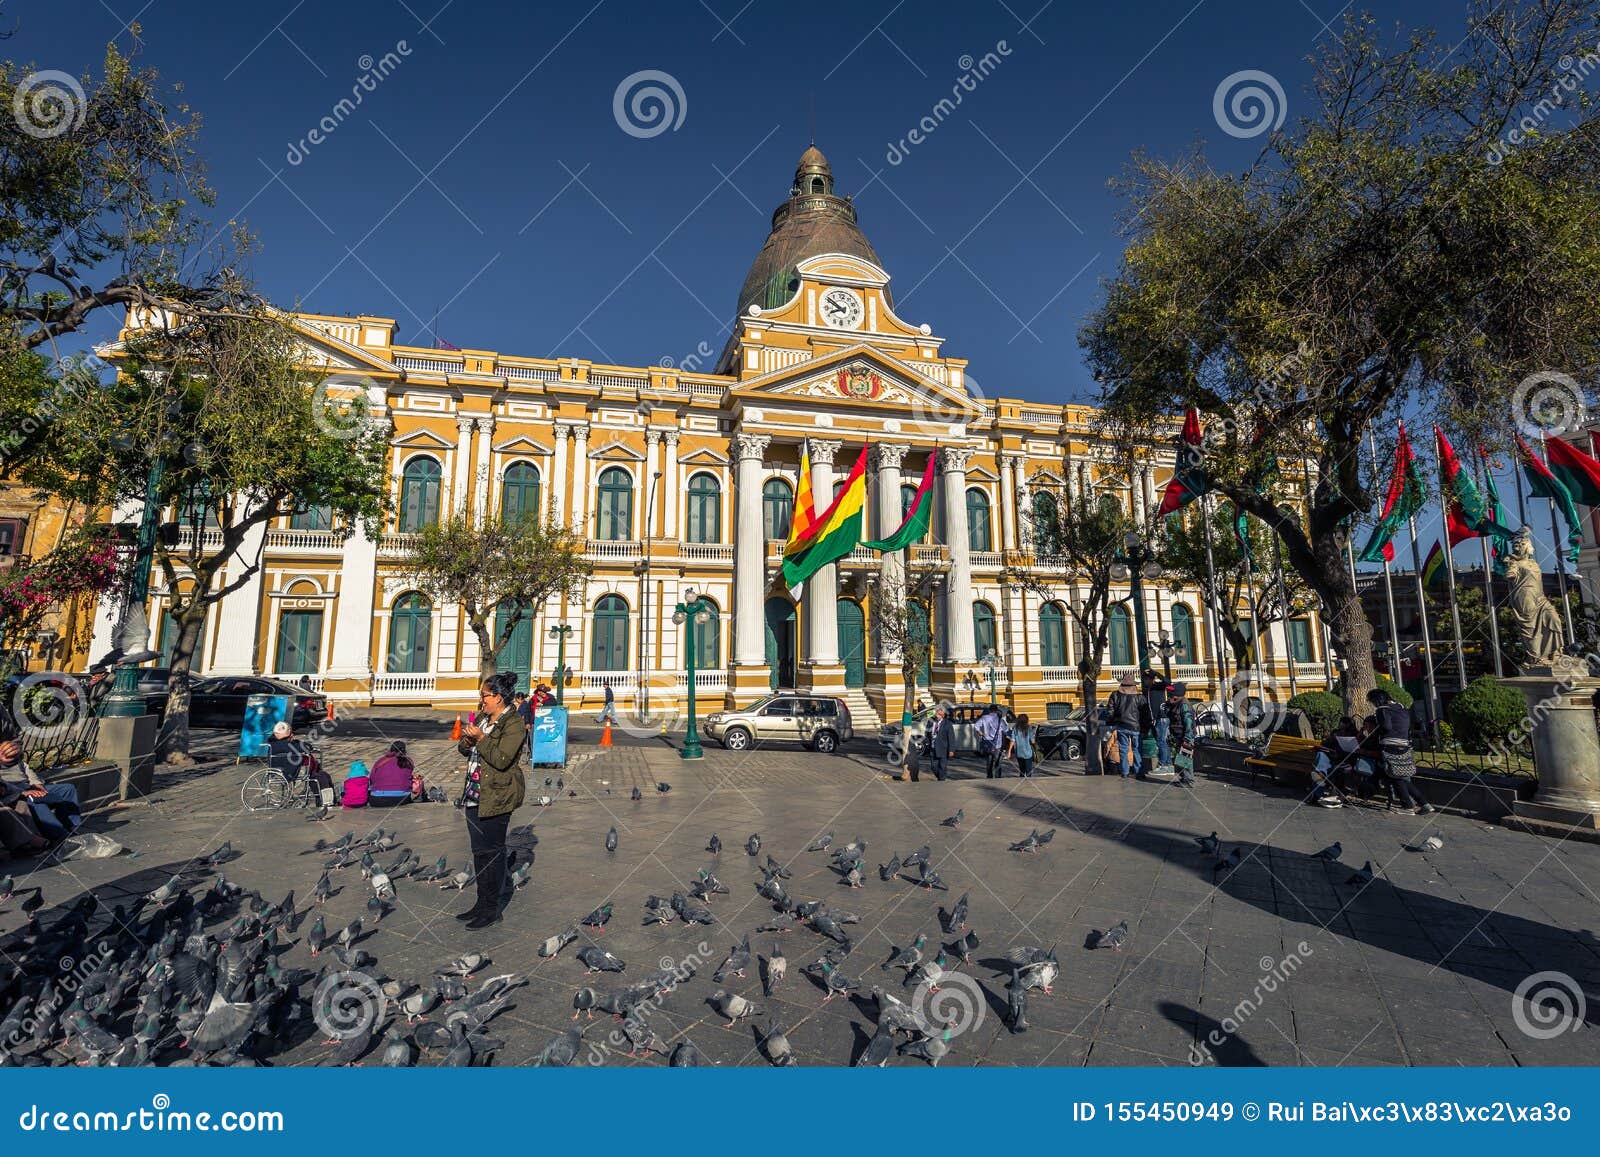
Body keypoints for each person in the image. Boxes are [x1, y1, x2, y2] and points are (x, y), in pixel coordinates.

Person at [456, 672, 528, 929]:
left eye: (485, 696)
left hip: (497, 794)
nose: (481, 700)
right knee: (478, 852)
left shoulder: (514, 724)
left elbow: (501, 759)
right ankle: (480, 902)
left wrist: (481, 739)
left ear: (498, 697)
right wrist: (468, 738)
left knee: (493, 854)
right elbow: (466, 750)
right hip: (474, 792)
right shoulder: (485, 718)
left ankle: (492, 908)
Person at [0, 738, 82, 842]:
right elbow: (4, 785)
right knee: (37, 801)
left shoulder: (14, 756)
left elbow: (28, 771)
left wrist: (37, 785)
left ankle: (72, 825)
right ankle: (59, 835)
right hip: (13, 792)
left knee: (67, 789)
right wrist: (21, 792)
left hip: (28, 786)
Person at [1368, 688, 1434, 816]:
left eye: (1372, 701)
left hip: (1390, 745)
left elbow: (1386, 727)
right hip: (1404, 744)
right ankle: (1424, 803)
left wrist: (1376, 730)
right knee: (1401, 776)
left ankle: (1407, 806)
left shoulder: (1382, 709)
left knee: (1394, 776)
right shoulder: (1401, 707)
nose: (1373, 704)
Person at [266, 721, 334, 802]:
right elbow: (303, 746)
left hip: (288, 768)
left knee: (321, 776)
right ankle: (325, 801)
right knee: (320, 777)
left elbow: (298, 745)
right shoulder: (285, 745)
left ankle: (326, 800)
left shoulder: (275, 743)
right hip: (289, 771)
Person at [1311, 716, 1361, 807]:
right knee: (1321, 756)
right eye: (1341, 723)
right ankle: (1317, 794)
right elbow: (1325, 744)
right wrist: (1330, 739)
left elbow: (1358, 751)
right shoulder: (1335, 732)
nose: (1342, 726)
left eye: (1345, 724)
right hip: (1331, 757)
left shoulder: (1357, 735)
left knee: (1342, 769)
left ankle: (1321, 786)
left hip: (1345, 761)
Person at [1105, 673, 1148, 779]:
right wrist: (1145, 727)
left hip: (1121, 726)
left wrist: (1112, 721)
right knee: (1137, 750)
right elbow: (1145, 713)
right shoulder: (1139, 697)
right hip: (1136, 727)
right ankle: (1139, 772)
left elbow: (1110, 711)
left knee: (1123, 750)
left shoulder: (1115, 695)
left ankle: (1125, 772)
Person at [1164, 683, 1197, 787]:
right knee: (1181, 759)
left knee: (1185, 758)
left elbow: (1189, 722)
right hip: (1178, 735)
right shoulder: (1175, 704)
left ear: (1177, 695)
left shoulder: (1184, 705)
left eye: (1171, 693)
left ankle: (1189, 781)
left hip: (1185, 736)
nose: (1169, 695)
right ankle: (1184, 778)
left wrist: (1187, 738)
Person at [369, 740, 416, 805]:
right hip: (401, 798)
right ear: (404, 751)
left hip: (377, 799)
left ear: (391, 750)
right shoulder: (408, 761)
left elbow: (372, 779)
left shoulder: (380, 761)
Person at [974, 703, 1008, 779]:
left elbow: (976, 726)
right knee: (997, 762)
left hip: (988, 743)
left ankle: (989, 776)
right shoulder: (1000, 720)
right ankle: (997, 776)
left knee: (989, 760)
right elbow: (1006, 730)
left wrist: (980, 732)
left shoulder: (984, 717)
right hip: (997, 744)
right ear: (996, 710)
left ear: (989, 710)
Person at [922, 705, 952, 782]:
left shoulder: (947, 723)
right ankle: (941, 778)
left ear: (943, 715)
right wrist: (927, 741)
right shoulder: (931, 721)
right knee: (933, 767)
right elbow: (927, 732)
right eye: (937, 714)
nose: (937, 716)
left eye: (939, 714)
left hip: (943, 748)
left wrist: (951, 750)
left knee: (942, 767)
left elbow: (951, 737)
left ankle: (942, 780)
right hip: (933, 748)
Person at [1007, 713, 1038, 778]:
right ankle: (1028, 784)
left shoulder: (1015, 728)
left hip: (1019, 753)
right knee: (1028, 771)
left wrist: (1009, 751)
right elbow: (1032, 741)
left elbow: (1012, 740)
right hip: (1028, 753)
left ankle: (1022, 783)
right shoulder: (1029, 728)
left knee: (1022, 770)